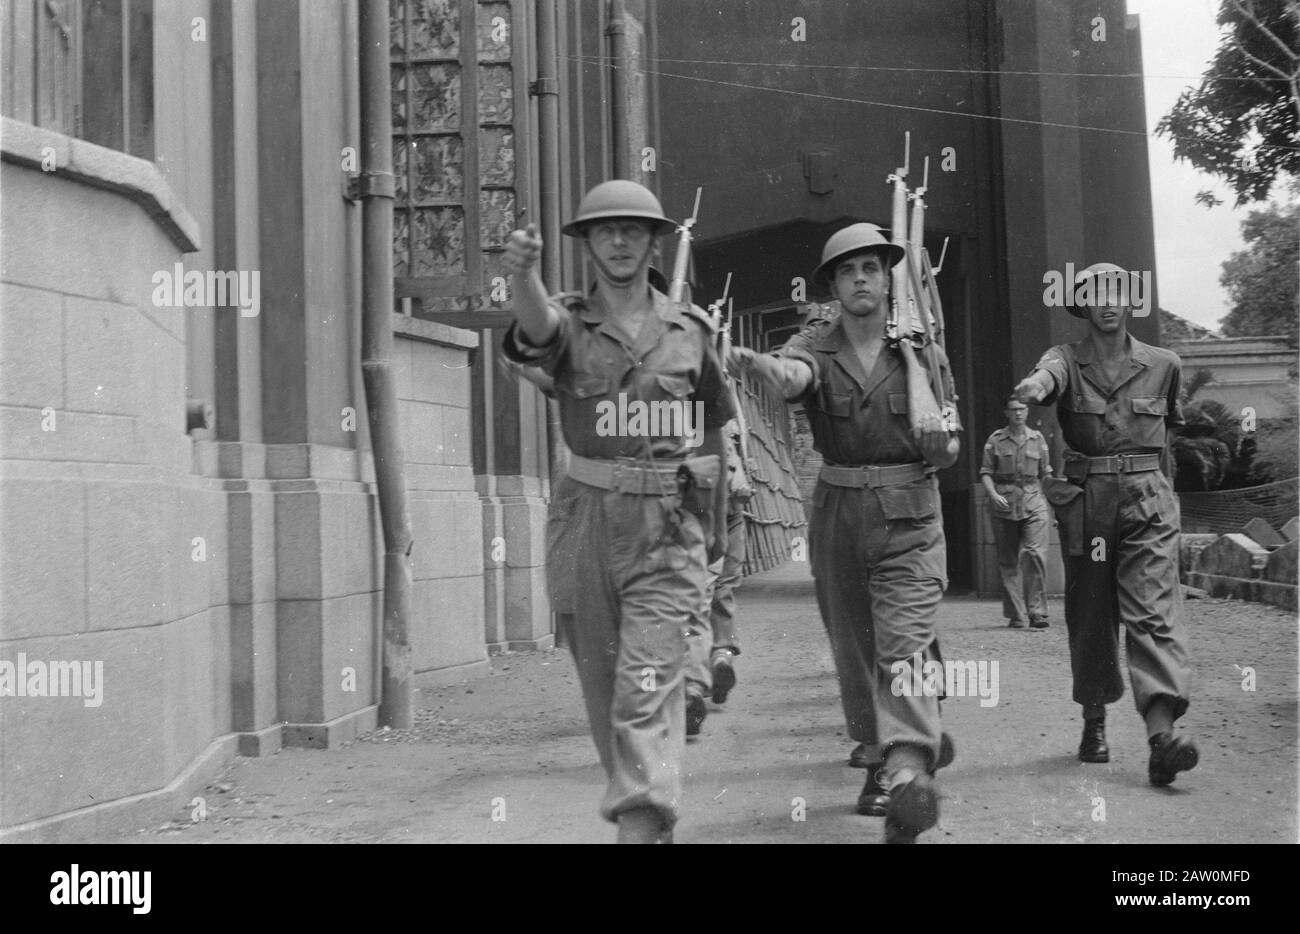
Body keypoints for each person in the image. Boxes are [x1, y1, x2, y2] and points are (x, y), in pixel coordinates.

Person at [500, 180, 733, 843]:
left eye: (633, 230)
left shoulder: (690, 332)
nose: (621, 241)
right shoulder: (568, 322)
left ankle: (640, 822)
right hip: (586, 521)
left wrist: (715, 520)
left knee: (646, 681)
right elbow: (536, 328)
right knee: (604, 688)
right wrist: (523, 275)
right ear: (589, 245)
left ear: (654, 242)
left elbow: (711, 427)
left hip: (666, 522)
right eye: (607, 231)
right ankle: (646, 806)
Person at [729, 222, 960, 843]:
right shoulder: (814, 345)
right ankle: (877, 752)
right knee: (855, 648)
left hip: (910, 513)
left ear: (887, 279)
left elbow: (951, 449)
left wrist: (938, 438)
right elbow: (793, 378)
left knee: (905, 641)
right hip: (839, 511)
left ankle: (907, 768)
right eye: (848, 271)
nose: (861, 279)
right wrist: (759, 364)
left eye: (871, 269)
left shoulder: (925, 354)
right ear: (832, 286)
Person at [1013, 262, 1198, 786]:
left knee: (1153, 610)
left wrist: (1168, 500)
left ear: (1130, 301)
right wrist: (1034, 387)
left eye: (1118, 292)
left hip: (1147, 500)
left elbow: (1168, 440)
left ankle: (1161, 739)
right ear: (1084, 305)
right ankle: (1094, 722)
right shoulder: (1065, 359)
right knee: (1092, 613)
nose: (1109, 301)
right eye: (1098, 293)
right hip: (1090, 501)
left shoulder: (1165, 364)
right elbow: (1046, 376)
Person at [683, 419, 751, 734]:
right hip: (730, 504)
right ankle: (721, 655)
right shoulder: (726, 413)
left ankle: (692, 685)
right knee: (723, 586)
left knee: (697, 594)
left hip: (700, 507)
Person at [980, 397, 1052, 629]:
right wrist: (993, 494)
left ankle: (1037, 612)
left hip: (1034, 502)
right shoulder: (995, 440)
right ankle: (1016, 614)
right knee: (1008, 561)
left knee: (1034, 555)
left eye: (1022, 409)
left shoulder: (1037, 439)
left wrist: (1054, 503)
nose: (1018, 413)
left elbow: (1046, 474)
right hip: (1004, 504)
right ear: (1007, 413)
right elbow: (986, 472)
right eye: (1014, 410)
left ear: (1028, 411)